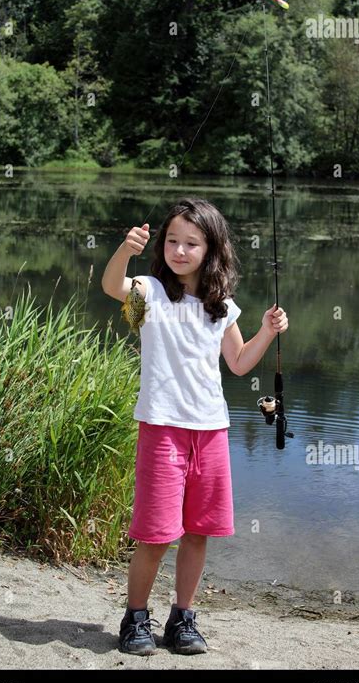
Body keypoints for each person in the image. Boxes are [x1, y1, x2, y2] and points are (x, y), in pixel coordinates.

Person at [101, 198, 288, 656]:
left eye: (192, 243)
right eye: (172, 241)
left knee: (198, 530)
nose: (179, 251)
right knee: (155, 532)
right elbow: (111, 286)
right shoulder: (147, 291)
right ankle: (135, 617)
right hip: (162, 427)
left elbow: (240, 364)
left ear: (211, 249)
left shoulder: (221, 305)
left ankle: (183, 617)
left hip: (211, 430)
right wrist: (126, 249)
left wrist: (267, 330)